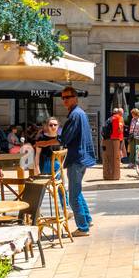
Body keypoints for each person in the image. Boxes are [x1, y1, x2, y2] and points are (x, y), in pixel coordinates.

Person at [59, 87, 96, 235]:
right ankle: (87, 219)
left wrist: (45, 142)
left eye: (67, 97)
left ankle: (83, 228)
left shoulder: (75, 115)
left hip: (76, 158)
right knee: (77, 191)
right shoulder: (80, 113)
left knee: (73, 195)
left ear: (75, 98)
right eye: (63, 98)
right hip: (82, 158)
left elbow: (65, 138)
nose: (64, 100)